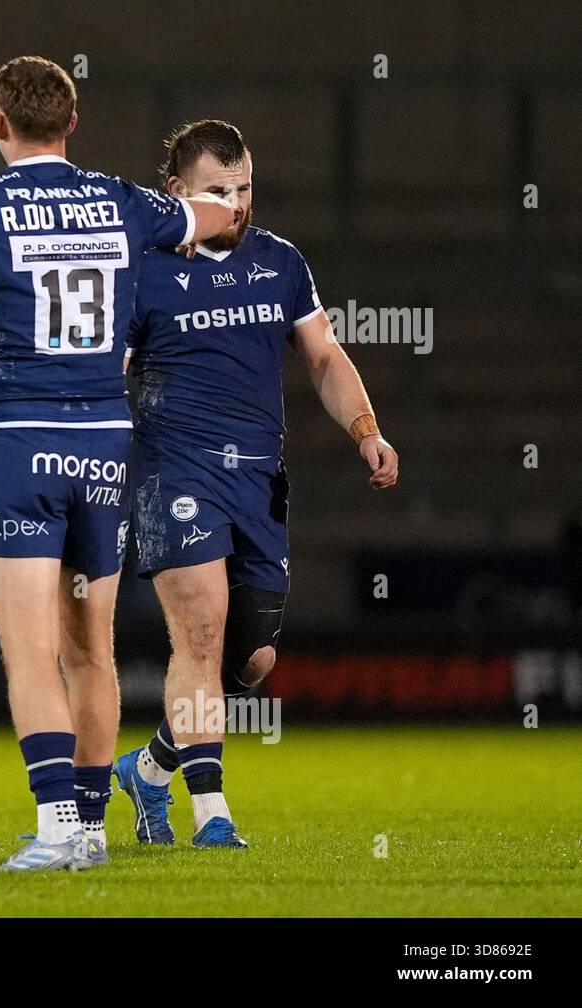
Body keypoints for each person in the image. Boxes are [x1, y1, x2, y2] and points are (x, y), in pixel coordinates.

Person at [0, 57, 236, 872]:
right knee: (89, 649)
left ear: (0, 125)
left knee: (27, 652)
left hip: (21, 445)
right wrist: (216, 207)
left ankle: (59, 825)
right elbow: (212, 218)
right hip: (104, 443)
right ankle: (91, 829)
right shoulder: (123, 202)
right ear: (73, 121)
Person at [113, 120, 398, 849]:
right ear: (175, 193)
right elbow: (103, 373)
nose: (236, 205)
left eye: (244, 190)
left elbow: (325, 357)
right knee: (200, 631)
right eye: (218, 191)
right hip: (174, 471)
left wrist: (366, 430)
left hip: (258, 479)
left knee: (251, 660)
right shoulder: (140, 269)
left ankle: (149, 770)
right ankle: (213, 813)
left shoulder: (279, 262)